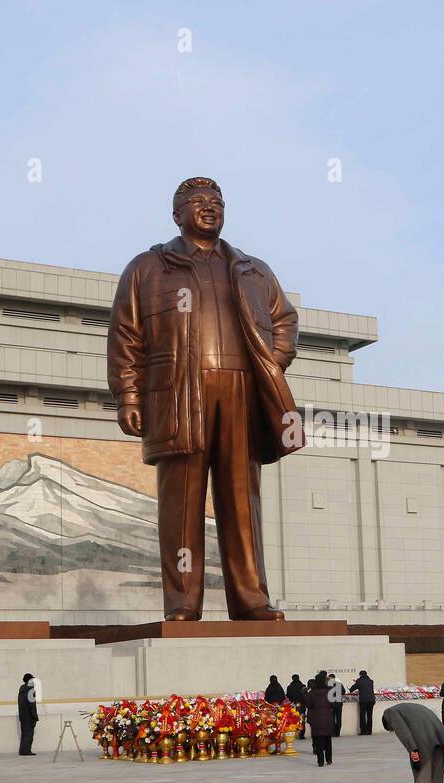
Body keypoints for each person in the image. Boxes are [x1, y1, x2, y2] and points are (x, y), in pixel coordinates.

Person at [108, 176, 299, 623]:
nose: (209, 207)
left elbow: (285, 319)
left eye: (216, 201)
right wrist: (128, 396)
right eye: (197, 201)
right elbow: (125, 335)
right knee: (181, 504)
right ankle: (182, 601)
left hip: (241, 391)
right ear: (177, 214)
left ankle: (251, 598)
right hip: (177, 395)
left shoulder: (254, 270)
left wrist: (271, 362)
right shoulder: (148, 268)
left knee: (241, 502)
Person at [305, 671, 336, 767]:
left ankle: (320, 761)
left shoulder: (311, 693)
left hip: (316, 719)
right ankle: (329, 759)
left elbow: (309, 705)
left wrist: (305, 694)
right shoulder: (329, 693)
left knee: (319, 741)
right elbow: (333, 705)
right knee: (328, 740)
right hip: (327, 718)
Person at [17, 673, 38, 756]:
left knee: (24, 734)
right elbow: (32, 705)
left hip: (23, 716)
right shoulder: (30, 690)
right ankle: (26, 751)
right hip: (29, 716)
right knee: (29, 735)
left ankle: (23, 750)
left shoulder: (21, 690)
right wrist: (35, 717)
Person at [351, 670, 376, 735]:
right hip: (372, 700)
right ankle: (369, 731)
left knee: (362, 716)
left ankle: (364, 731)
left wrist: (356, 682)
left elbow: (351, 689)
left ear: (360, 675)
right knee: (369, 716)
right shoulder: (371, 681)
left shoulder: (359, 681)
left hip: (364, 700)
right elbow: (366, 687)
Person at [286, 673, 308, 739]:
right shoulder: (303, 686)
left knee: (294, 719)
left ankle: (294, 733)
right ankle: (302, 734)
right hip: (302, 706)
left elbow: (288, 697)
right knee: (302, 719)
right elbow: (306, 696)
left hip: (293, 706)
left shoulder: (289, 687)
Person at [328, 672, 346, 736]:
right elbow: (344, 692)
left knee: (332, 719)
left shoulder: (328, 685)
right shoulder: (339, 684)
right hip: (339, 703)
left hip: (331, 704)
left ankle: (332, 733)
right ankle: (337, 733)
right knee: (339, 718)